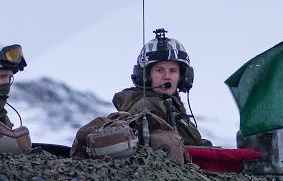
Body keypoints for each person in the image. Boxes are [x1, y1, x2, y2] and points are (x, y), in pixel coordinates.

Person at [72, 29, 212, 159]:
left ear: (183, 77)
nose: (167, 76)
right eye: (159, 70)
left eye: (173, 71)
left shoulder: (171, 106)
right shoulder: (145, 106)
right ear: (145, 76)